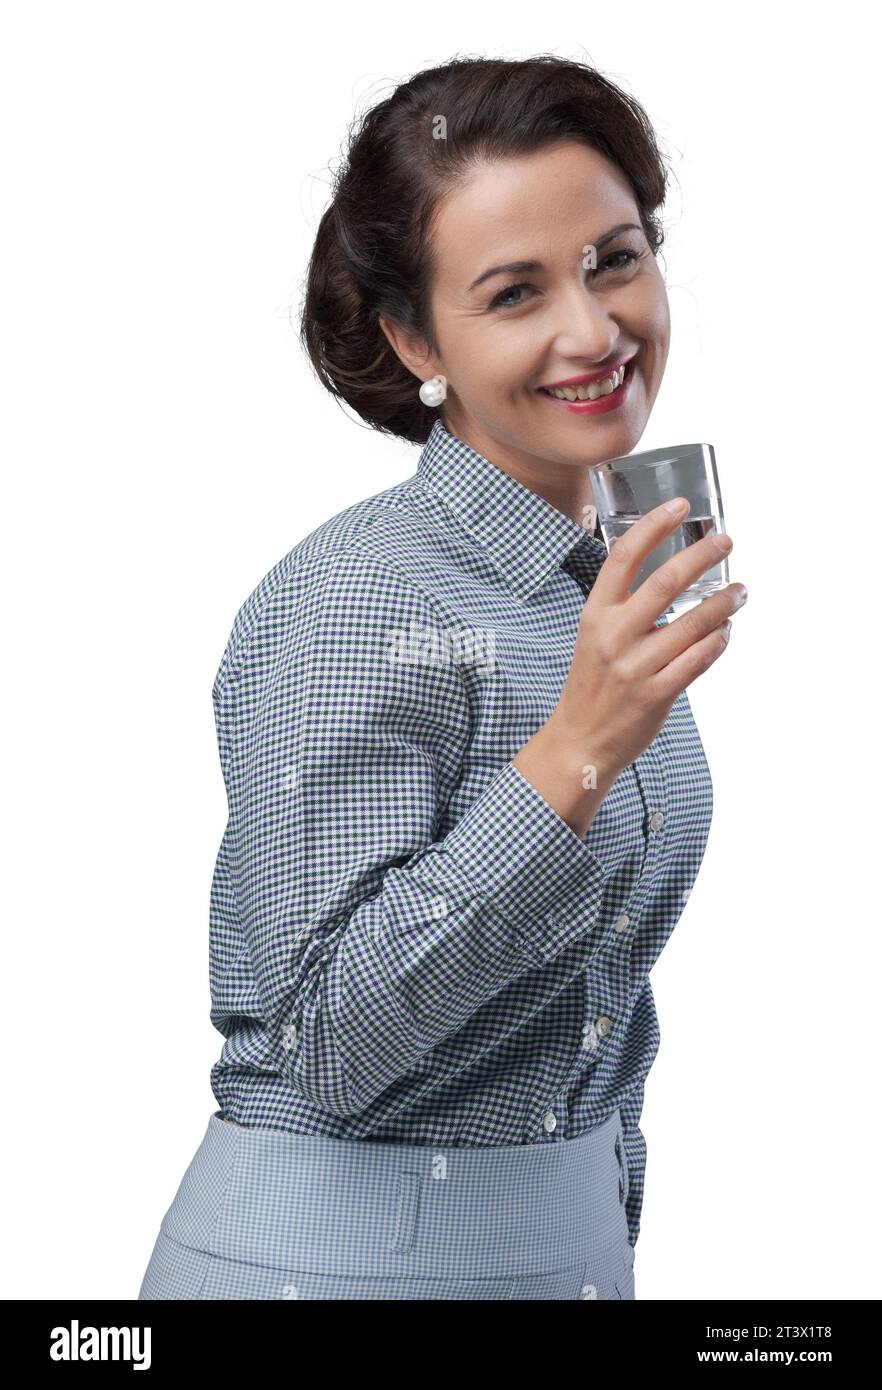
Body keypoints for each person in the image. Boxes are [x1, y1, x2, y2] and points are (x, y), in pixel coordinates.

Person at [138, 53, 746, 1301]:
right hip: (336, 1269)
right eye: (515, 292)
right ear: (414, 334)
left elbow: (583, 1014)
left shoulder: (597, 586)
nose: (593, 330)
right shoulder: (361, 600)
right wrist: (574, 753)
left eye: (614, 260)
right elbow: (332, 1048)